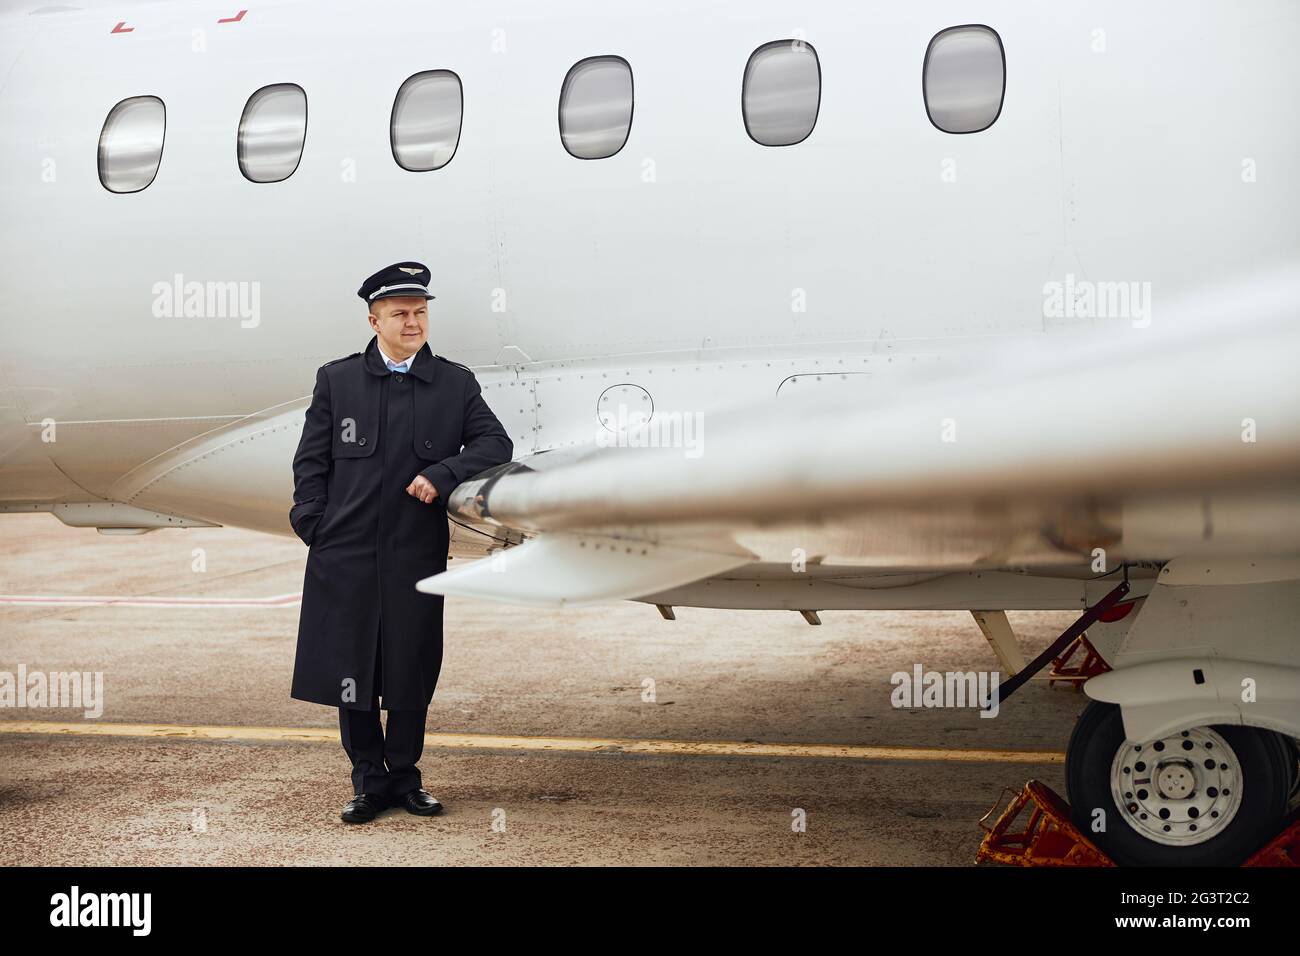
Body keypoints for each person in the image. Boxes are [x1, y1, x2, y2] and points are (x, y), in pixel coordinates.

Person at [288, 261, 514, 823]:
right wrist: (312, 523)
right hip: (346, 550)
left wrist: (442, 475)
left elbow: (495, 441)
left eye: (420, 312)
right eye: (399, 313)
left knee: (412, 665)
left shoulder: (453, 382)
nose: (413, 322)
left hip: (415, 548)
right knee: (352, 666)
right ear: (374, 320)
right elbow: (311, 460)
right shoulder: (337, 380)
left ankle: (406, 777)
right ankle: (368, 782)